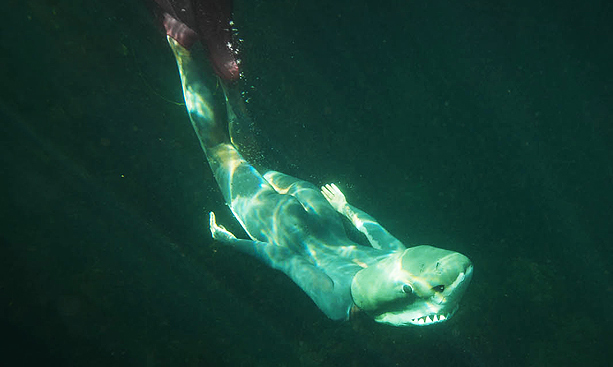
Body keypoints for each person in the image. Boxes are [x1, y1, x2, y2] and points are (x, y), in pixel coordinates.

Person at [153, 0, 473, 326]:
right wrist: (234, 243)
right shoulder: (338, 304)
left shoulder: (395, 257)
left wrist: (345, 208)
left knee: (247, 158)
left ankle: (229, 85)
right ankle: (182, 48)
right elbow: (284, 258)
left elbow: (376, 233)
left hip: (318, 210)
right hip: (282, 226)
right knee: (218, 148)